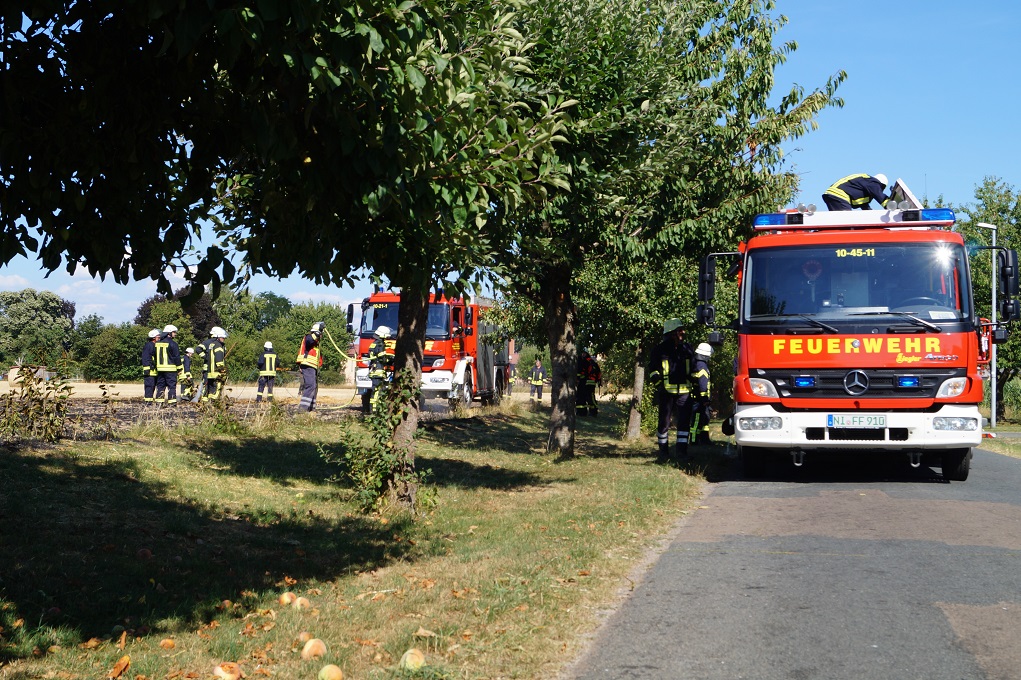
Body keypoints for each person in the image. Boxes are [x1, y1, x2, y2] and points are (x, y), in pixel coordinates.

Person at [647, 318, 695, 463]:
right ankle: (663, 453)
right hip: (666, 392)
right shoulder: (659, 350)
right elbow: (652, 369)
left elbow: (693, 368)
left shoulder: (687, 348)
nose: (683, 332)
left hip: (685, 391)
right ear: (671, 333)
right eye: (679, 330)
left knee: (684, 423)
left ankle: (682, 453)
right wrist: (659, 384)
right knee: (664, 422)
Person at [822, 173, 891, 211]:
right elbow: (880, 197)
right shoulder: (873, 183)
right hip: (840, 196)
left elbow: (865, 207)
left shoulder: (865, 183)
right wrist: (892, 206)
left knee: (837, 223)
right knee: (846, 222)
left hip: (831, 194)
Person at [689, 342, 713, 445]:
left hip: (697, 398)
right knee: (696, 420)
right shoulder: (702, 366)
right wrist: (704, 399)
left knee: (704, 419)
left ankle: (704, 439)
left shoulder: (695, 364)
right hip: (699, 400)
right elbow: (703, 383)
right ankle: (694, 441)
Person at [297, 322, 324, 412]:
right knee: (311, 385)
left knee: (314, 387)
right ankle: (303, 409)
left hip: (312, 367)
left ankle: (311, 408)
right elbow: (309, 341)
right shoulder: (308, 337)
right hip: (307, 364)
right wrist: (317, 333)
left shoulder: (316, 343)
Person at [366, 325, 394, 412]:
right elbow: (382, 358)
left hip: (374, 370)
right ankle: (374, 411)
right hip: (378, 372)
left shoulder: (374, 343)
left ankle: (376, 410)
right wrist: (391, 359)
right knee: (377, 392)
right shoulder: (380, 344)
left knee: (377, 392)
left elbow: (376, 356)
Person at [154, 324, 181, 406]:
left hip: (160, 369)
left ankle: (159, 403)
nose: (175, 334)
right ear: (169, 333)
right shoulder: (173, 344)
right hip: (171, 369)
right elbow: (176, 357)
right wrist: (179, 369)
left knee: (160, 386)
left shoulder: (157, 343)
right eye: (174, 332)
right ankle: (172, 404)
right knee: (171, 386)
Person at [201, 326, 228, 402]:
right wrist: (222, 370)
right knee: (216, 390)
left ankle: (207, 404)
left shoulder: (212, 345)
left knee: (210, 390)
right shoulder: (218, 346)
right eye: (222, 337)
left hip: (210, 373)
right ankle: (214, 404)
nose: (224, 339)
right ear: (218, 337)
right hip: (216, 373)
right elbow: (219, 360)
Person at [576, 349, 602, 416]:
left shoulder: (583, 361)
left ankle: (582, 412)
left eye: (584, 353)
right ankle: (593, 411)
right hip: (592, 382)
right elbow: (599, 373)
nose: (583, 355)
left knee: (581, 396)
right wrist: (598, 381)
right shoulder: (593, 362)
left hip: (584, 381)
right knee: (590, 397)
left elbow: (579, 371)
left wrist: (577, 379)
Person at [141, 329, 160, 405]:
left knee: (153, 387)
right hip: (150, 371)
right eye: (158, 336)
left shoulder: (155, 345)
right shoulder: (148, 346)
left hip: (155, 371)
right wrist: (147, 370)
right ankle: (148, 403)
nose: (159, 337)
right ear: (153, 337)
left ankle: (150, 402)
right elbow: (145, 358)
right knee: (149, 387)